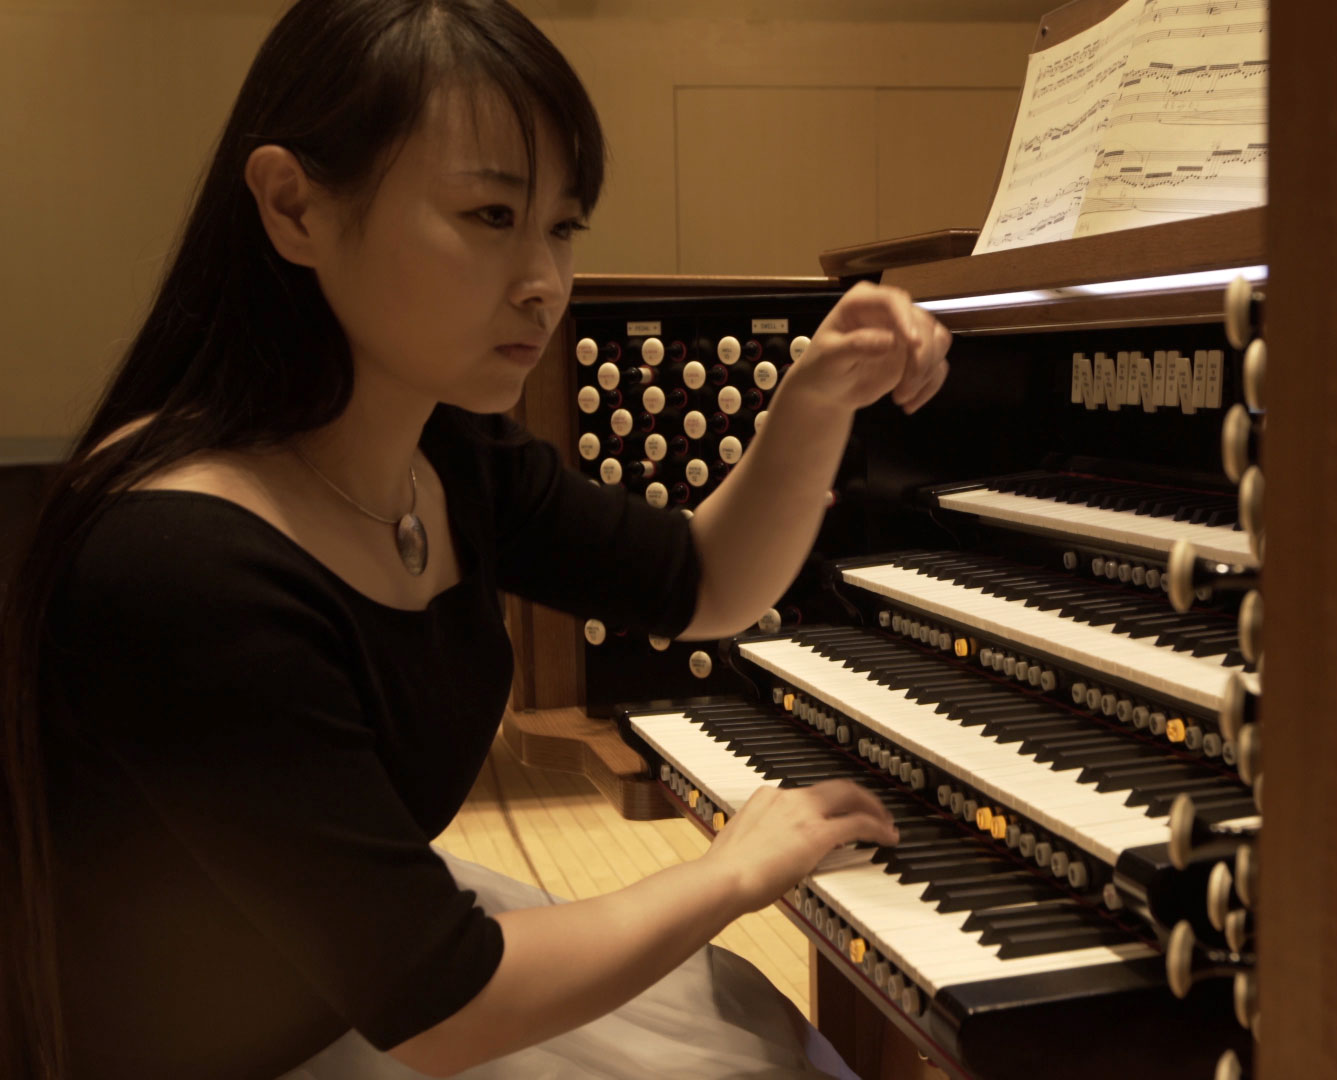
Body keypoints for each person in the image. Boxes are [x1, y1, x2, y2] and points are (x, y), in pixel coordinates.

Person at [0, 0, 952, 1077]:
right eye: (492, 217)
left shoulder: (448, 455)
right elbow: (444, 1004)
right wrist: (729, 874)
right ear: (293, 205)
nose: (544, 280)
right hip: (243, 1044)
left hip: (355, 968)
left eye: (562, 226)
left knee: (757, 1031)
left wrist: (816, 399)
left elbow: (705, 581)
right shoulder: (179, 568)